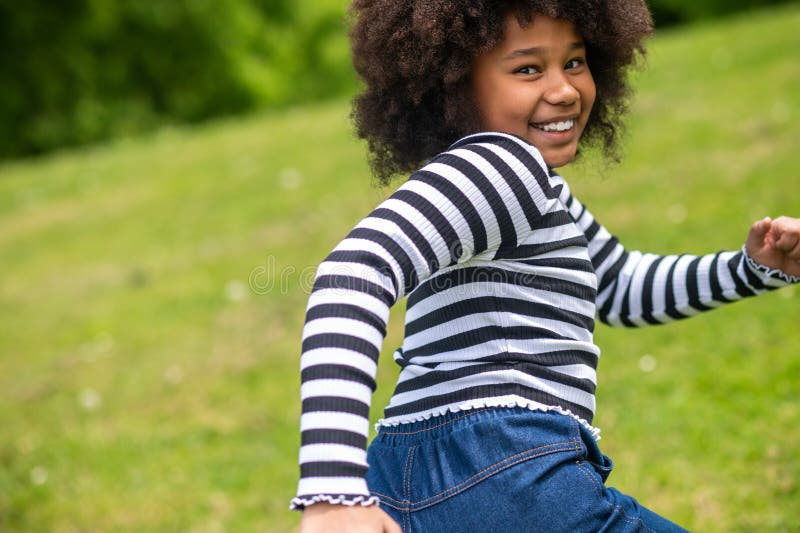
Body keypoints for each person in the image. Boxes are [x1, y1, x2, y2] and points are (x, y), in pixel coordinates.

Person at [292, 1, 800, 531]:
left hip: (403, 473)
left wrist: (753, 267)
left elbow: (620, 285)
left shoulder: (514, 189)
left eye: (575, 62)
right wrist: (332, 493)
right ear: (454, 84)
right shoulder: (506, 167)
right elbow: (353, 273)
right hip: (500, 461)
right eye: (528, 69)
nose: (563, 90)